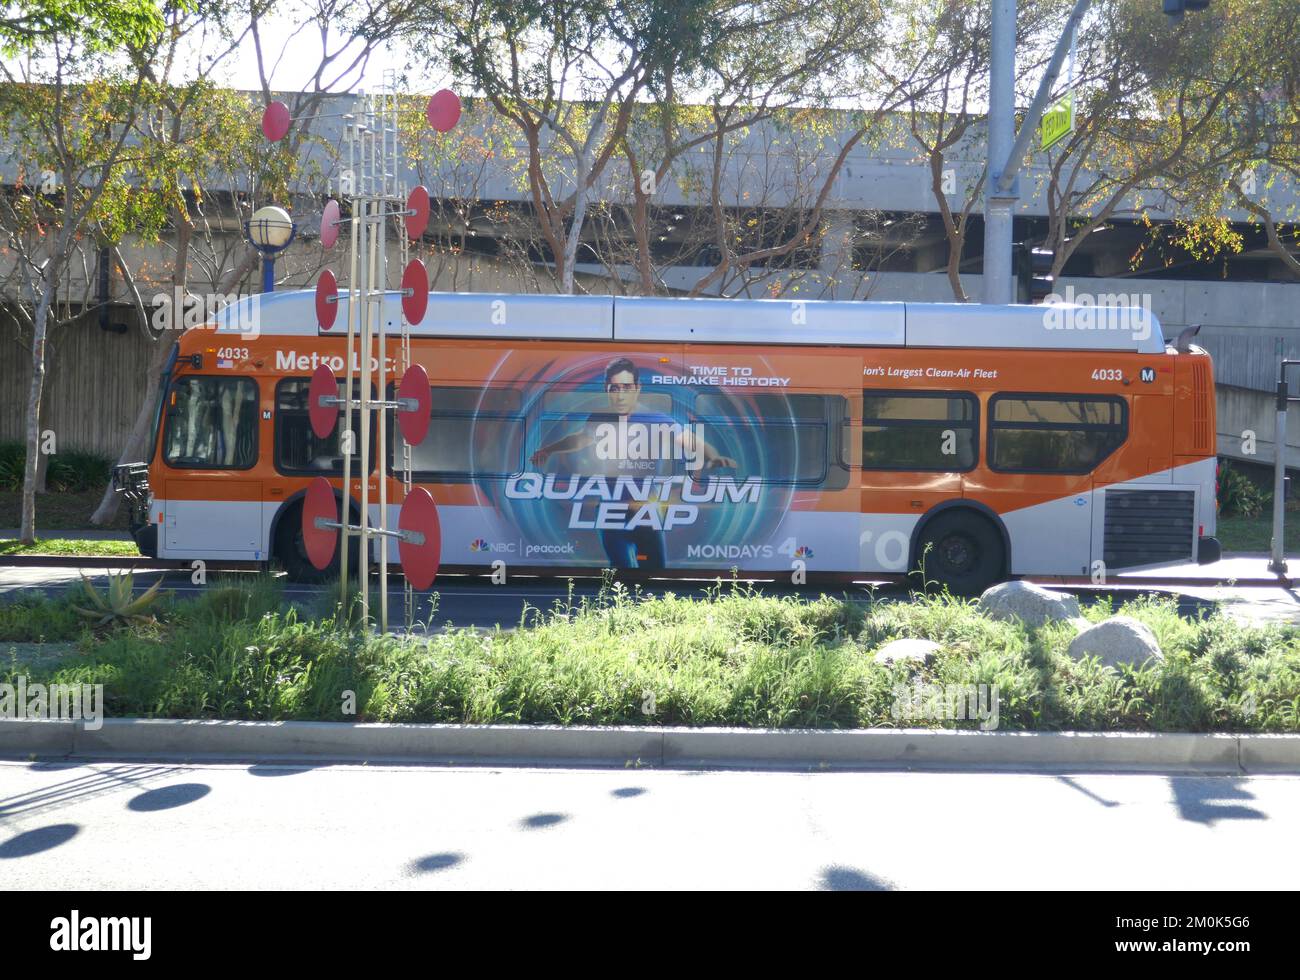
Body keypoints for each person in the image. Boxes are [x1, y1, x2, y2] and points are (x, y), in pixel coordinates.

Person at [529, 357, 737, 568]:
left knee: (654, 570)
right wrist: (549, 449)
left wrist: (713, 455)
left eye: (627, 387)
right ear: (607, 390)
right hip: (610, 511)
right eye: (615, 388)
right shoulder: (599, 418)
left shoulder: (655, 419)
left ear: (637, 388)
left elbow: (691, 440)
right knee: (619, 571)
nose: (620, 395)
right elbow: (580, 439)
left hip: (644, 510)